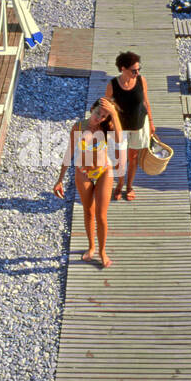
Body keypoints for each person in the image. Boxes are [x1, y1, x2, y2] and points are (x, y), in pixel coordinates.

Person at [52, 97, 124, 268]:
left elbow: (120, 141)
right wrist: (60, 179)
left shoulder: (106, 127)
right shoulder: (78, 127)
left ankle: (102, 251)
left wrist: (113, 114)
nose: (99, 118)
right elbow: (69, 152)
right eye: (98, 113)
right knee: (88, 211)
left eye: (104, 116)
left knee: (101, 215)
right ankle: (91, 246)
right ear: (92, 108)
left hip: (103, 171)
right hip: (83, 171)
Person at [105, 51, 156, 202]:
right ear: (123, 69)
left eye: (139, 69)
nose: (137, 73)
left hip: (139, 125)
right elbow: (106, 106)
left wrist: (152, 122)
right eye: (134, 70)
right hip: (120, 128)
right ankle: (120, 184)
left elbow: (146, 102)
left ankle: (129, 186)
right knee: (121, 160)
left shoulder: (141, 81)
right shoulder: (112, 85)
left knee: (133, 158)